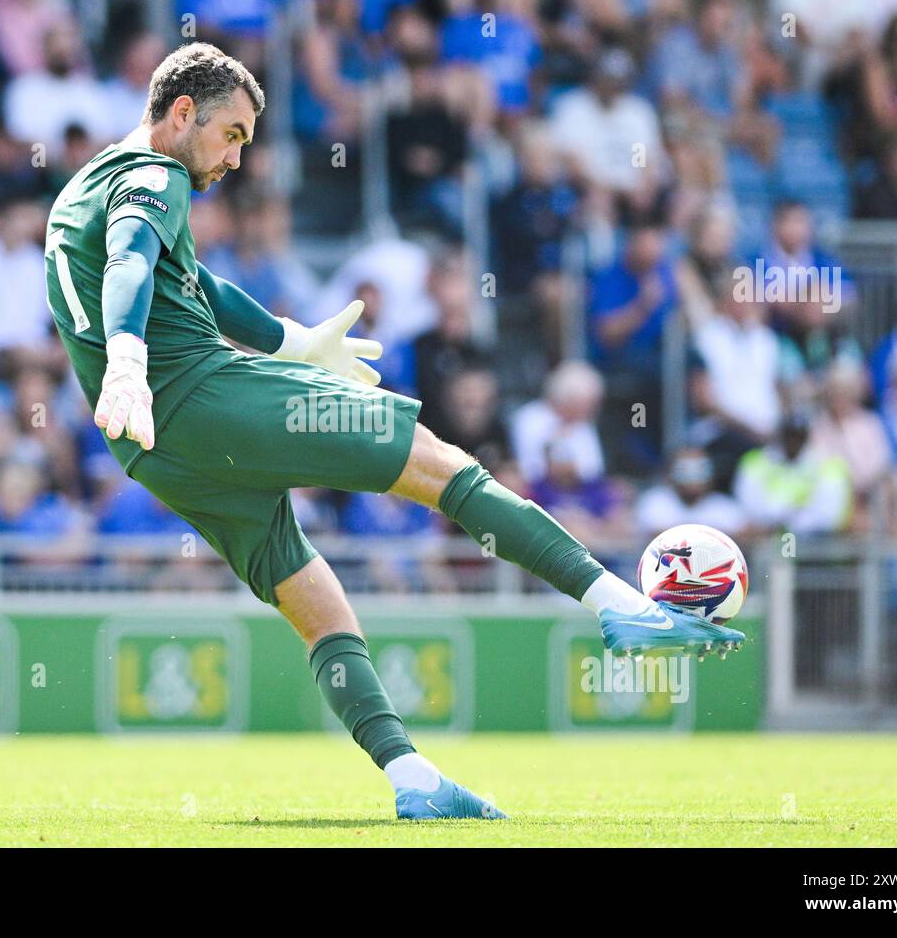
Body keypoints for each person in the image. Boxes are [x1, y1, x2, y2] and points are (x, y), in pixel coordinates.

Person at [44, 42, 745, 823]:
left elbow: (193, 282)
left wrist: (293, 340)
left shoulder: (90, 184)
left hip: (153, 447)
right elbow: (131, 264)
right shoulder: (156, 177)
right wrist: (130, 359)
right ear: (182, 114)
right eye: (232, 134)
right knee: (440, 463)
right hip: (197, 395)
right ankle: (617, 601)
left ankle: (411, 774)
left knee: (316, 602)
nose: (237, 156)